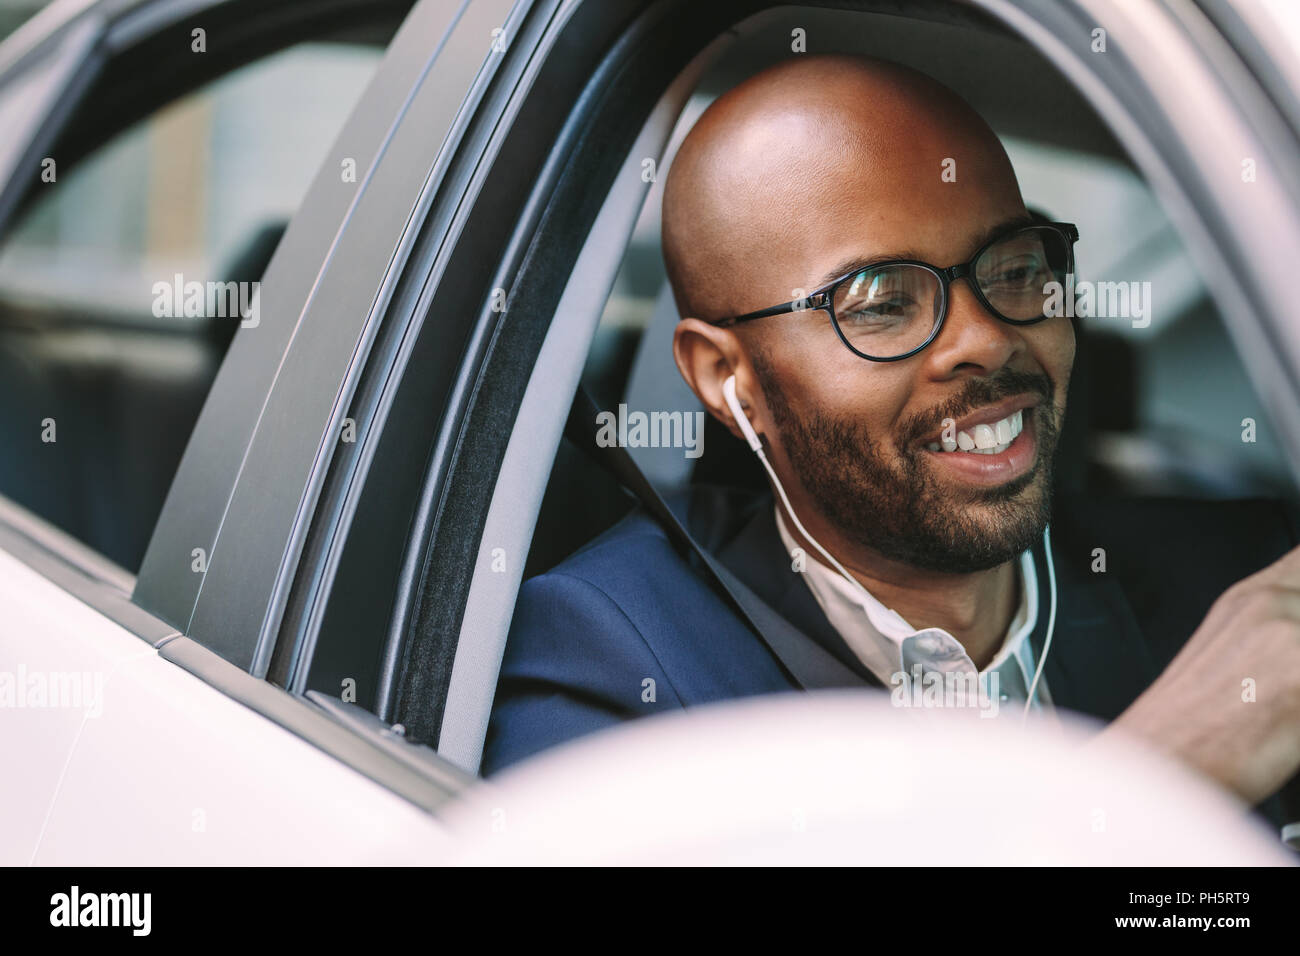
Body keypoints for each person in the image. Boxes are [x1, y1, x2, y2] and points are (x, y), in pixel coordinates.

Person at [482, 54, 1300, 830]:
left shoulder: (1244, 583)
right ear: (727, 378)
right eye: (877, 301)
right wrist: (1149, 788)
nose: (983, 338)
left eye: (1012, 267)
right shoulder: (609, 678)